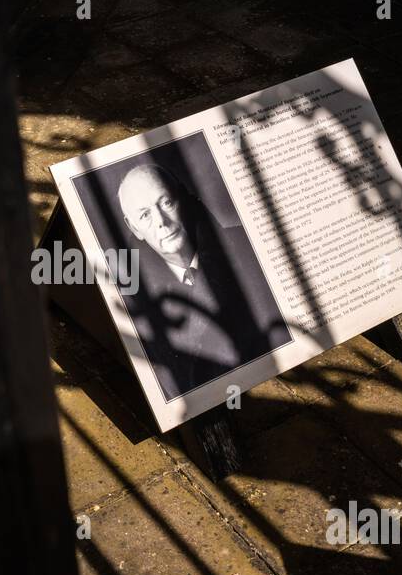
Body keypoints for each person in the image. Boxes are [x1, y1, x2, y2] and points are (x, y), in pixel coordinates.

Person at [116, 163, 290, 399]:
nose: (161, 222)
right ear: (133, 227)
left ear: (182, 197)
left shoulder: (249, 246)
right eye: (145, 215)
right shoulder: (131, 297)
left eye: (166, 203)